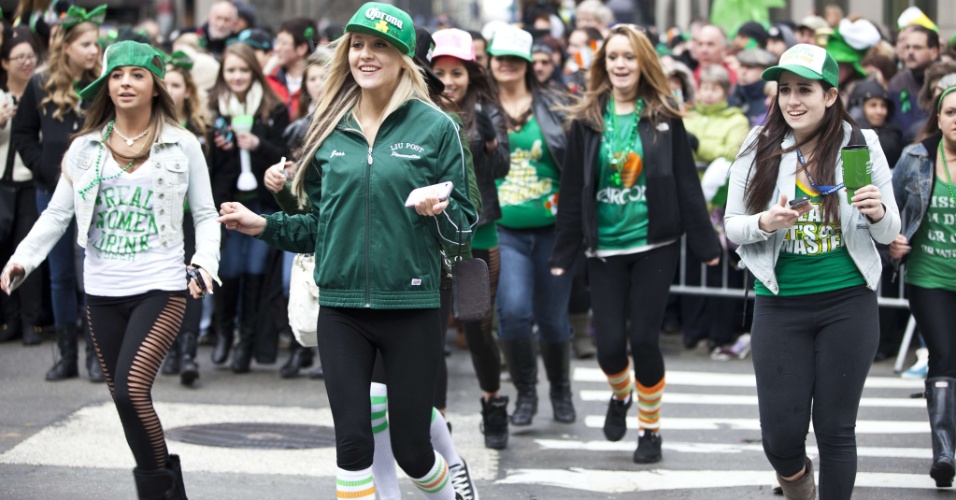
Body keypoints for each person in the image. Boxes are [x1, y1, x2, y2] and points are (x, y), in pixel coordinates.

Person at [216, 4, 477, 498]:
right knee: (353, 444)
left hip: (413, 306)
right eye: (357, 45)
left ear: (404, 58)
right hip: (341, 308)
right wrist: (263, 224)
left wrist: (438, 210)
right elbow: (320, 225)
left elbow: (464, 227)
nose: (365, 55)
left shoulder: (437, 128)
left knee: (413, 451)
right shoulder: (328, 127)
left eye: (380, 45)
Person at [2, 40, 220, 499]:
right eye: (117, 75)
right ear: (106, 85)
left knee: (130, 391)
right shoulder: (84, 148)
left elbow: (205, 215)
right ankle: (168, 490)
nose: (125, 83)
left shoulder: (182, 144)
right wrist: (23, 258)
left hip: (160, 286)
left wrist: (204, 262)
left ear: (156, 87)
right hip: (101, 290)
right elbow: (57, 214)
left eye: (137, 75)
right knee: (126, 402)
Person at [724, 44, 900, 499]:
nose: (792, 100)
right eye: (785, 90)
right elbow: (733, 225)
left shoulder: (861, 144)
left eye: (804, 89)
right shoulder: (758, 143)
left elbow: (889, 233)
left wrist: (879, 212)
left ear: (830, 95)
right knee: (780, 437)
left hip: (848, 301)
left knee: (835, 429)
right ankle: (797, 482)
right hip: (780, 304)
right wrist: (766, 222)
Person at [550, 24, 720, 464]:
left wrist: (706, 244)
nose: (620, 65)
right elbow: (573, 188)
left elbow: (686, 180)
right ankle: (620, 392)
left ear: (643, 63)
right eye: (613, 57)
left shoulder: (664, 115)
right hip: (604, 249)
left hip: (654, 244)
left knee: (644, 340)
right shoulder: (586, 119)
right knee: (609, 348)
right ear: (603, 64)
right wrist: (564, 250)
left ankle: (650, 430)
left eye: (629, 57)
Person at [487, 25, 575, 428]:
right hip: (504, 230)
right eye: (499, 57)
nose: (506, 64)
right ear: (490, 61)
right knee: (514, 312)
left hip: (553, 230)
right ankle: (525, 392)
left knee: (553, 318)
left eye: (514, 58)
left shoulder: (556, 104)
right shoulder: (480, 108)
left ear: (527, 63)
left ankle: (560, 390)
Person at [11, 5, 103, 382]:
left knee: (91, 273)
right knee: (61, 275)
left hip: (97, 194)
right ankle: (66, 355)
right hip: (50, 191)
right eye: (86, 44)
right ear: (66, 46)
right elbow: (22, 136)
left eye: (96, 44)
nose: (94, 51)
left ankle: (96, 354)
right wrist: (49, 171)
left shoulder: (105, 85)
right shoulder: (40, 83)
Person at [430, 27, 512, 449]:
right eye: (440, 72)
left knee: (477, 327)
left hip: (479, 233)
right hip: (432, 237)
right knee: (433, 332)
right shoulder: (419, 110)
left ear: (471, 74)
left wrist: (492, 143)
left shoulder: (487, 111)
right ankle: (438, 421)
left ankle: (492, 401)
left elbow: (501, 170)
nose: (448, 81)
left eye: (457, 72)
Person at [207, 42, 289, 374]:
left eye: (243, 70)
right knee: (228, 270)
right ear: (222, 74)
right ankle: (225, 333)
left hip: (262, 203)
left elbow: (285, 155)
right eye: (231, 70)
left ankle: (247, 342)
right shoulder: (212, 109)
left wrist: (258, 144)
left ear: (254, 72)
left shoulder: (273, 108)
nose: (237, 76)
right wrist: (220, 146)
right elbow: (208, 164)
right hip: (226, 201)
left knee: (255, 272)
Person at [890, 86, 956, 489]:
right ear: (939, 118)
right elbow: (886, 206)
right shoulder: (916, 158)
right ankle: (944, 453)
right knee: (943, 356)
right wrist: (891, 239)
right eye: (951, 112)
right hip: (929, 277)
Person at [159, 50, 213, 386]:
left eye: (176, 84)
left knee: (193, 282)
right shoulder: (150, 126)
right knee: (166, 285)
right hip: (162, 220)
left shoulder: (202, 130)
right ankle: (171, 348)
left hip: (193, 220)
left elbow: (217, 175)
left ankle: (190, 351)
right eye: (165, 84)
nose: (170, 90)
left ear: (188, 90)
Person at [0, 26, 42, 346]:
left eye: (31, 56)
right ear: (5, 63)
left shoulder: (42, 92)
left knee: (27, 252)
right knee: (3, 251)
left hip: (30, 183)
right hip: (2, 184)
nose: (27, 62)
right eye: (19, 57)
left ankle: (31, 322)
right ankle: (10, 319)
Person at [889, 26, 939, 143]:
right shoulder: (897, 82)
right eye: (907, 47)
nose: (910, 52)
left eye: (917, 47)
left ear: (933, 52)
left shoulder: (947, 81)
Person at [267, 18, 318, 120]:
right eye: (277, 42)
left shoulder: (317, 83)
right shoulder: (271, 80)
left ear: (302, 48)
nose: (276, 48)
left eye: (284, 43)